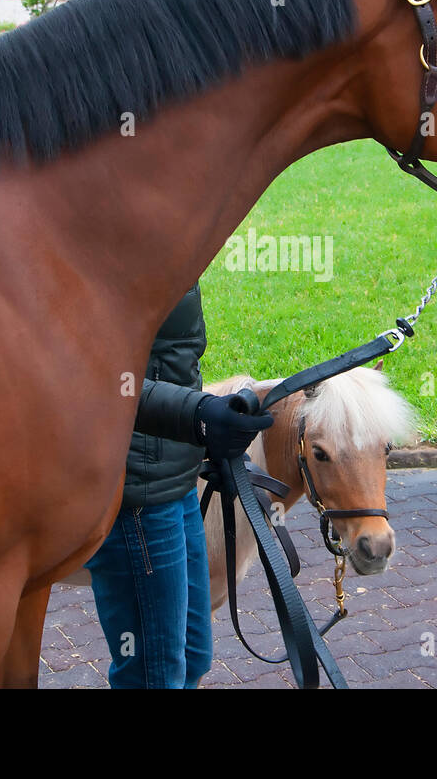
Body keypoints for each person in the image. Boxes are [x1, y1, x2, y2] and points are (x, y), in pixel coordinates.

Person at [84, 282, 272, 689]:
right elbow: (88, 374)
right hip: (136, 486)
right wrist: (198, 416)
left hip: (176, 472)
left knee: (192, 656)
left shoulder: (172, 246)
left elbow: (171, 360)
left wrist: (204, 439)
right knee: (154, 674)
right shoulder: (106, 248)